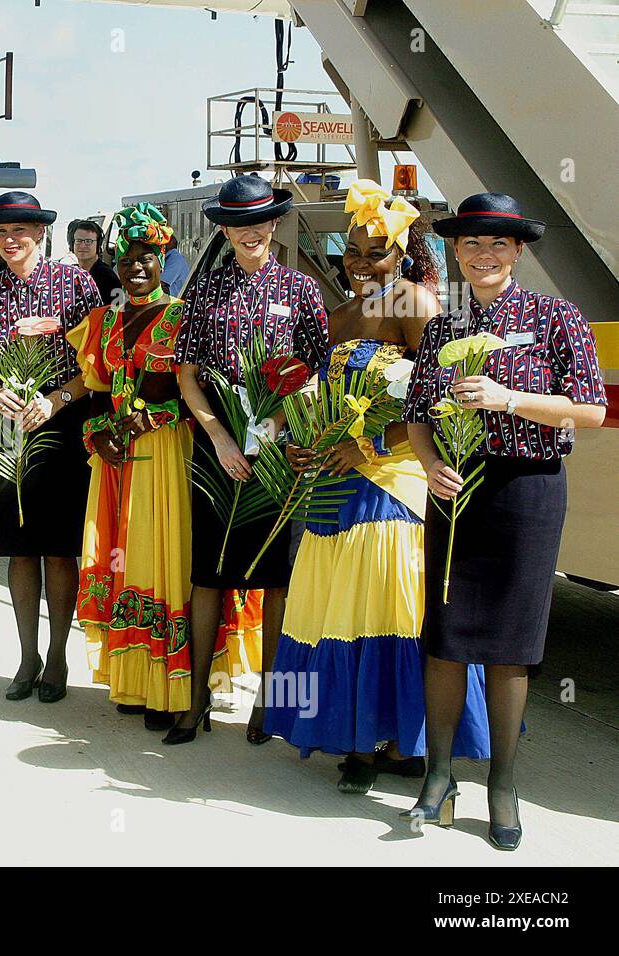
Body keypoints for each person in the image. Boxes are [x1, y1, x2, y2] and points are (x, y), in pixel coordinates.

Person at [265, 180, 491, 791]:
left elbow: (442, 400)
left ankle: (397, 742)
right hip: (333, 483)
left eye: (375, 253)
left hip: (394, 479)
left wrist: (366, 445)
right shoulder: (335, 316)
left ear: (402, 254)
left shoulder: (417, 305)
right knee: (339, 605)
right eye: (353, 252)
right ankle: (356, 736)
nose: (362, 264)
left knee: (391, 606)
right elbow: (305, 392)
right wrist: (291, 440)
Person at [402, 192, 607, 850]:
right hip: (455, 491)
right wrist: (430, 464)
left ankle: (503, 783)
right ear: (454, 253)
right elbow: (416, 415)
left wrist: (508, 397)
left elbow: (592, 411)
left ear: (518, 251)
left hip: (527, 491)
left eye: (496, 243)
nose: (482, 254)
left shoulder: (555, 316)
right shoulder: (443, 324)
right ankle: (437, 776)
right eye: (469, 244)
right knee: (446, 635)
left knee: (512, 647)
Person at [171, 174, 329, 745]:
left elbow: (317, 372)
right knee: (208, 577)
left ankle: (269, 704)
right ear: (225, 229)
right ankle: (195, 702)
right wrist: (220, 437)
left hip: (282, 456)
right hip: (219, 456)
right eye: (237, 224)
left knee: (275, 582)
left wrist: (275, 426)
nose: (249, 232)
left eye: (258, 221)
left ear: (274, 223)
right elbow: (186, 375)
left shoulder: (303, 290)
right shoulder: (205, 290)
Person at [70, 204, 232, 733]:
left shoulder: (185, 316)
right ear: (115, 265)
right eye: (128, 259)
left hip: (168, 455)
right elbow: (96, 394)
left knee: (163, 558)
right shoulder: (104, 321)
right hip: (114, 459)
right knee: (121, 564)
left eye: (148, 258)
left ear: (165, 260)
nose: (137, 266)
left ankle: (177, 686)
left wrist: (147, 421)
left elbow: (203, 394)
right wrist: (96, 434)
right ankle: (136, 680)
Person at [0, 191, 104, 702]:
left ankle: (56, 657)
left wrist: (55, 400)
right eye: (2, 232)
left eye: (20, 232)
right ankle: (26, 656)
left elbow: (97, 368)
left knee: (58, 549)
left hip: (62, 429)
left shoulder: (76, 285)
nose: (10, 241)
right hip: (5, 431)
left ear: (41, 234)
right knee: (19, 549)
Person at [69, 218, 120, 305]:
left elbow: (119, 309)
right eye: (78, 241)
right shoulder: (73, 273)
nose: (83, 245)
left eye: (88, 241)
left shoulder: (108, 277)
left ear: (98, 245)